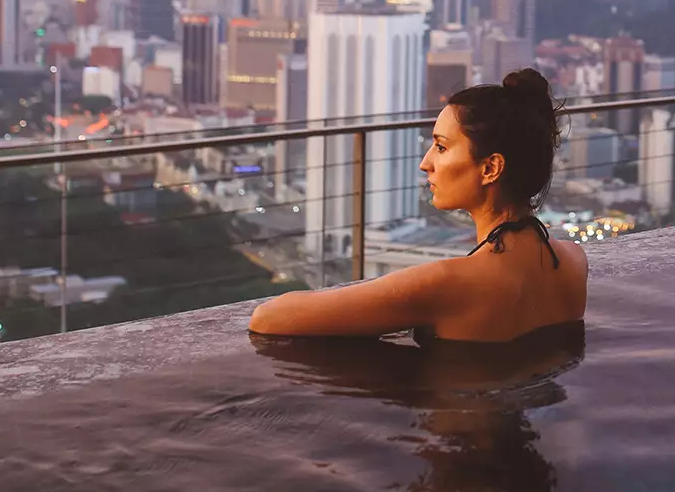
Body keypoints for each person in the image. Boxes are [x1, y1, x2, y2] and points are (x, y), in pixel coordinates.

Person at [249, 68, 588, 341]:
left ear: (490, 168)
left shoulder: (447, 284)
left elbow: (269, 318)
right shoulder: (574, 262)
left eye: (441, 147)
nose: (425, 163)